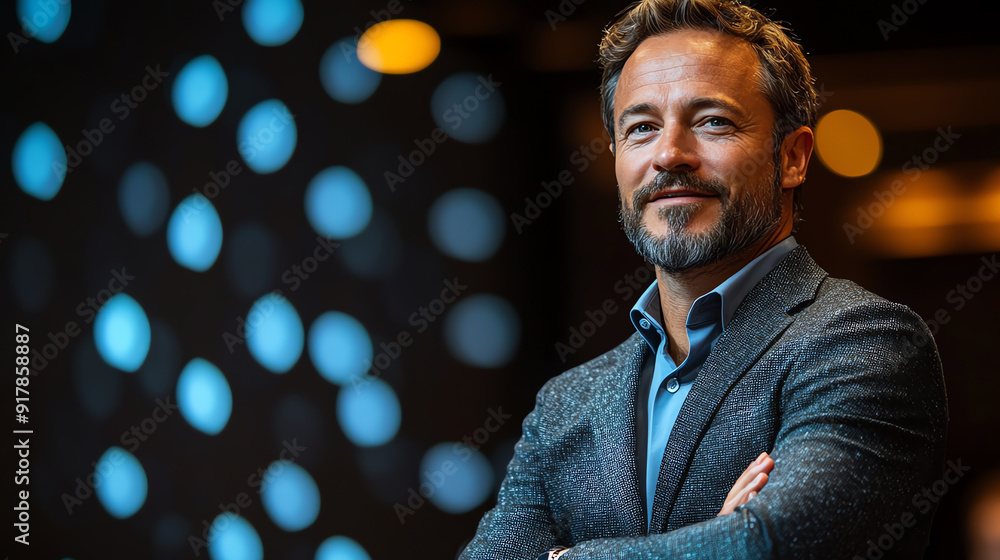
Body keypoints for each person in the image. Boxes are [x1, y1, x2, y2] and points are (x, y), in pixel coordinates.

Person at [459, 0, 948, 558]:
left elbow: (773, 544)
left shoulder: (865, 345)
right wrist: (713, 543)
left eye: (712, 121)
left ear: (792, 157)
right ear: (617, 157)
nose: (669, 154)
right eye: (642, 128)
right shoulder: (566, 404)